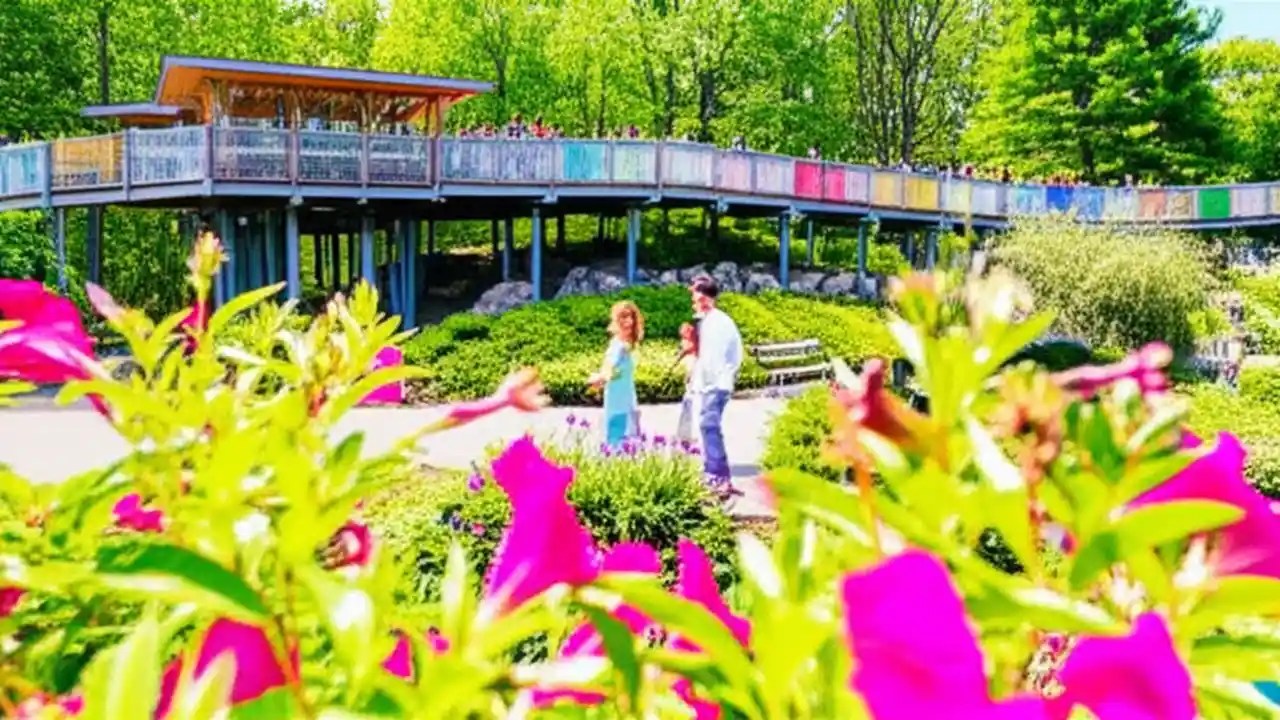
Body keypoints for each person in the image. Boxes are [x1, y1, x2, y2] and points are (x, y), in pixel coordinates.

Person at [688, 275, 743, 497]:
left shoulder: (717, 323)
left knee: (709, 428)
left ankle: (718, 477)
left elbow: (713, 360)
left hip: (715, 385)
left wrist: (705, 385)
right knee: (709, 428)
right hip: (715, 383)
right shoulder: (712, 321)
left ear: (704, 298)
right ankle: (716, 475)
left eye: (695, 296)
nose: (693, 301)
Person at [588, 301, 644, 447]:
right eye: (623, 317)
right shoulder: (618, 345)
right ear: (617, 320)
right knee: (617, 438)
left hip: (627, 397)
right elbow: (609, 366)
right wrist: (601, 378)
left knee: (628, 437)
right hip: (617, 399)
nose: (628, 321)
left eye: (631, 317)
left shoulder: (628, 345)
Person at [674, 321, 700, 443]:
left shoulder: (693, 347)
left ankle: (687, 434)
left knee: (690, 404)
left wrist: (688, 376)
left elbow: (686, 354)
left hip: (693, 376)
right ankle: (684, 433)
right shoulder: (689, 344)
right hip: (691, 373)